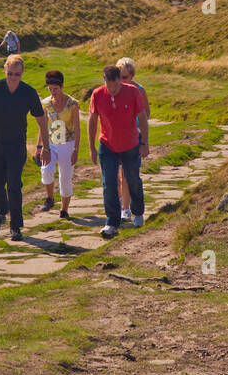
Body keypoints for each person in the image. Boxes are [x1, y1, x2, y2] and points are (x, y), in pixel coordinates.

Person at [0, 54, 50, 242]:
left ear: (22, 74)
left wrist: (45, 147)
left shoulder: (28, 93)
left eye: (17, 74)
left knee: (14, 185)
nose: (13, 77)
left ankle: (15, 226)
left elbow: (41, 120)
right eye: (10, 73)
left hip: (17, 144)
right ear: (5, 70)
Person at [88, 65, 148, 239]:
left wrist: (144, 142)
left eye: (115, 85)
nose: (112, 89)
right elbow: (92, 121)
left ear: (120, 80)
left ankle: (137, 213)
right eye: (109, 85)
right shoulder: (97, 94)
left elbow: (143, 118)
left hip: (130, 145)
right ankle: (112, 222)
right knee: (109, 184)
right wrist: (92, 147)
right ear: (104, 80)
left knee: (133, 180)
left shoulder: (133, 92)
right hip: (107, 145)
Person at [35, 70, 80, 219]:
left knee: (65, 178)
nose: (53, 92)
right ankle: (50, 198)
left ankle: (64, 209)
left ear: (62, 86)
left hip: (67, 144)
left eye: (56, 88)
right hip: (51, 144)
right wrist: (39, 147)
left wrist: (76, 149)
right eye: (50, 89)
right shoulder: (46, 104)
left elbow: (77, 128)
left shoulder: (72, 104)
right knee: (46, 170)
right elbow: (43, 126)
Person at [117, 56, 150, 222]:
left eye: (125, 77)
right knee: (114, 175)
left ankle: (126, 209)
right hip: (115, 136)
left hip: (133, 136)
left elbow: (147, 114)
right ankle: (120, 201)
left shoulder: (139, 90)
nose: (123, 81)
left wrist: (138, 126)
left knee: (128, 174)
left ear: (132, 75)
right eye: (120, 77)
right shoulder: (115, 90)